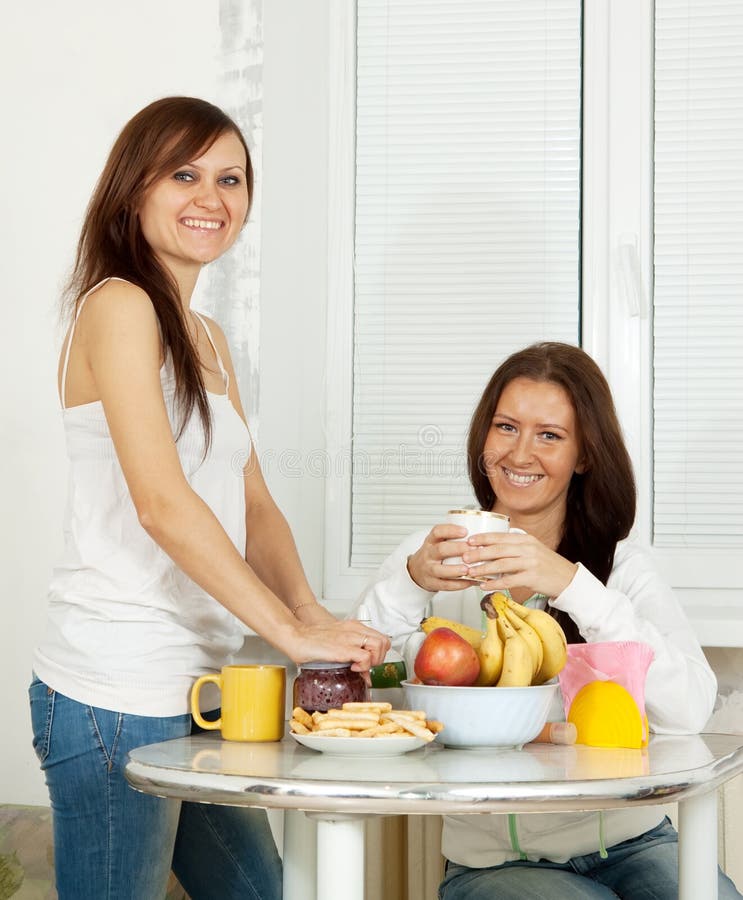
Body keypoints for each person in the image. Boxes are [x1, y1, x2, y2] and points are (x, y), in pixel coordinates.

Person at [29, 96, 389, 900]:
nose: (212, 198)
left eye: (230, 179)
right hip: (112, 690)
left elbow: (253, 502)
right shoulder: (117, 305)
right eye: (184, 175)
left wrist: (311, 616)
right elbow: (161, 503)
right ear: (134, 189)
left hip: (198, 686)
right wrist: (288, 634)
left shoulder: (207, 337)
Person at [353, 342, 741, 900]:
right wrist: (410, 581)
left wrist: (573, 585)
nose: (520, 453)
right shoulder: (432, 554)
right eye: (506, 427)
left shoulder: (621, 566)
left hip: (634, 843)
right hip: (494, 866)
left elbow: (688, 711)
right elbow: (353, 688)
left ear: (584, 456)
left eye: (550, 435)